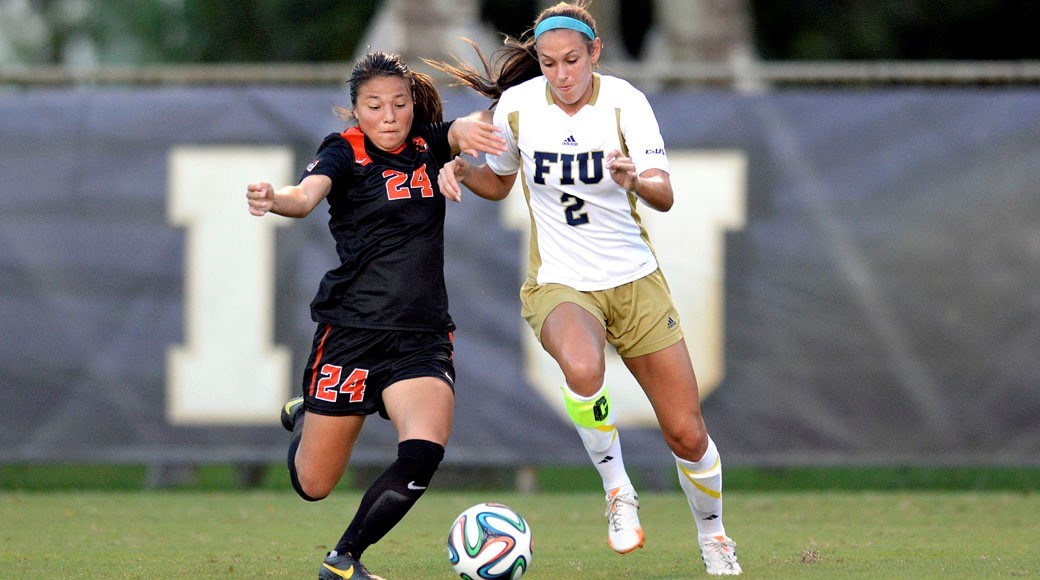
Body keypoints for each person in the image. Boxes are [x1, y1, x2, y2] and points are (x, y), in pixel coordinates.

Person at [429, 1, 742, 575]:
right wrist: (460, 170)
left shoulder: (626, 101)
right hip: (560, 281)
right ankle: (618, 488)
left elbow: (664, 193)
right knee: (580, 366)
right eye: (548, 63)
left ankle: (714, 536)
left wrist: (634, 179)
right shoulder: (518, 107)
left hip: (633, 281)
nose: (561, 74)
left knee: (687, 433)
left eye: (572, 60)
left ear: (595, 53)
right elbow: (499, 184)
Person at [246, 51, 505, 580]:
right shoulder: (342, 153)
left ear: (413, 104)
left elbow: (473, 136)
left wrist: (481, 140)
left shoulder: (428, 143)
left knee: (424, 450)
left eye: (399, 103)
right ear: (355, 111)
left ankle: (343, 560)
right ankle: (307, 414)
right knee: (314, 483)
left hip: (421, 336)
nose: (389, 115)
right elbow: (303, 197)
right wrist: (275, 198)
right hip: (352, 334)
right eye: (374, 105)